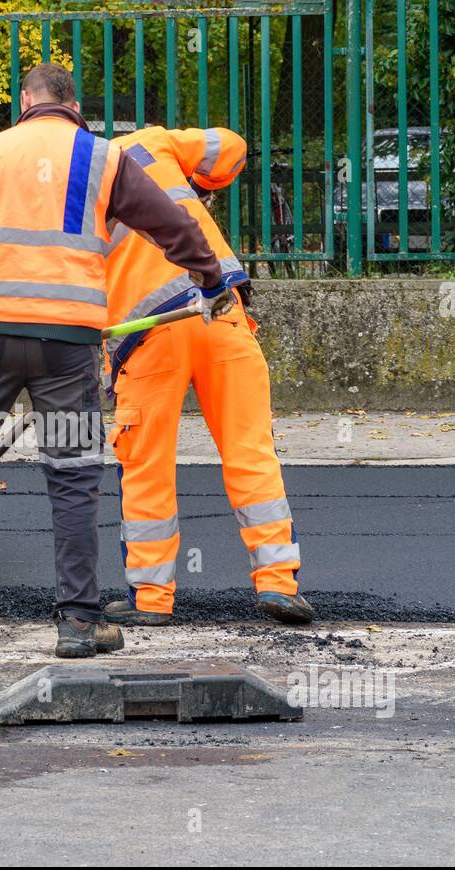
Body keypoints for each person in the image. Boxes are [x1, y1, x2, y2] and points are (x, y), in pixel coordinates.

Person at [0, 64, 228, 658]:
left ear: (25, 100)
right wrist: (210, 275)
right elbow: (172, 223)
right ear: (75, 107)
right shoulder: (103, 158)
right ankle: (76, 621)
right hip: (66, 346)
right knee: (72, 476)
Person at [102, 126, 314, 627]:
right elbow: (233, 146)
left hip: (149, 332)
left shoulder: (68, 184)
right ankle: (278, 585)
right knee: (250, 450)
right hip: (219, 308)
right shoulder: (152, 143)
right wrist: (197, 187)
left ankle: (152, 599)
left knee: (146, 460)